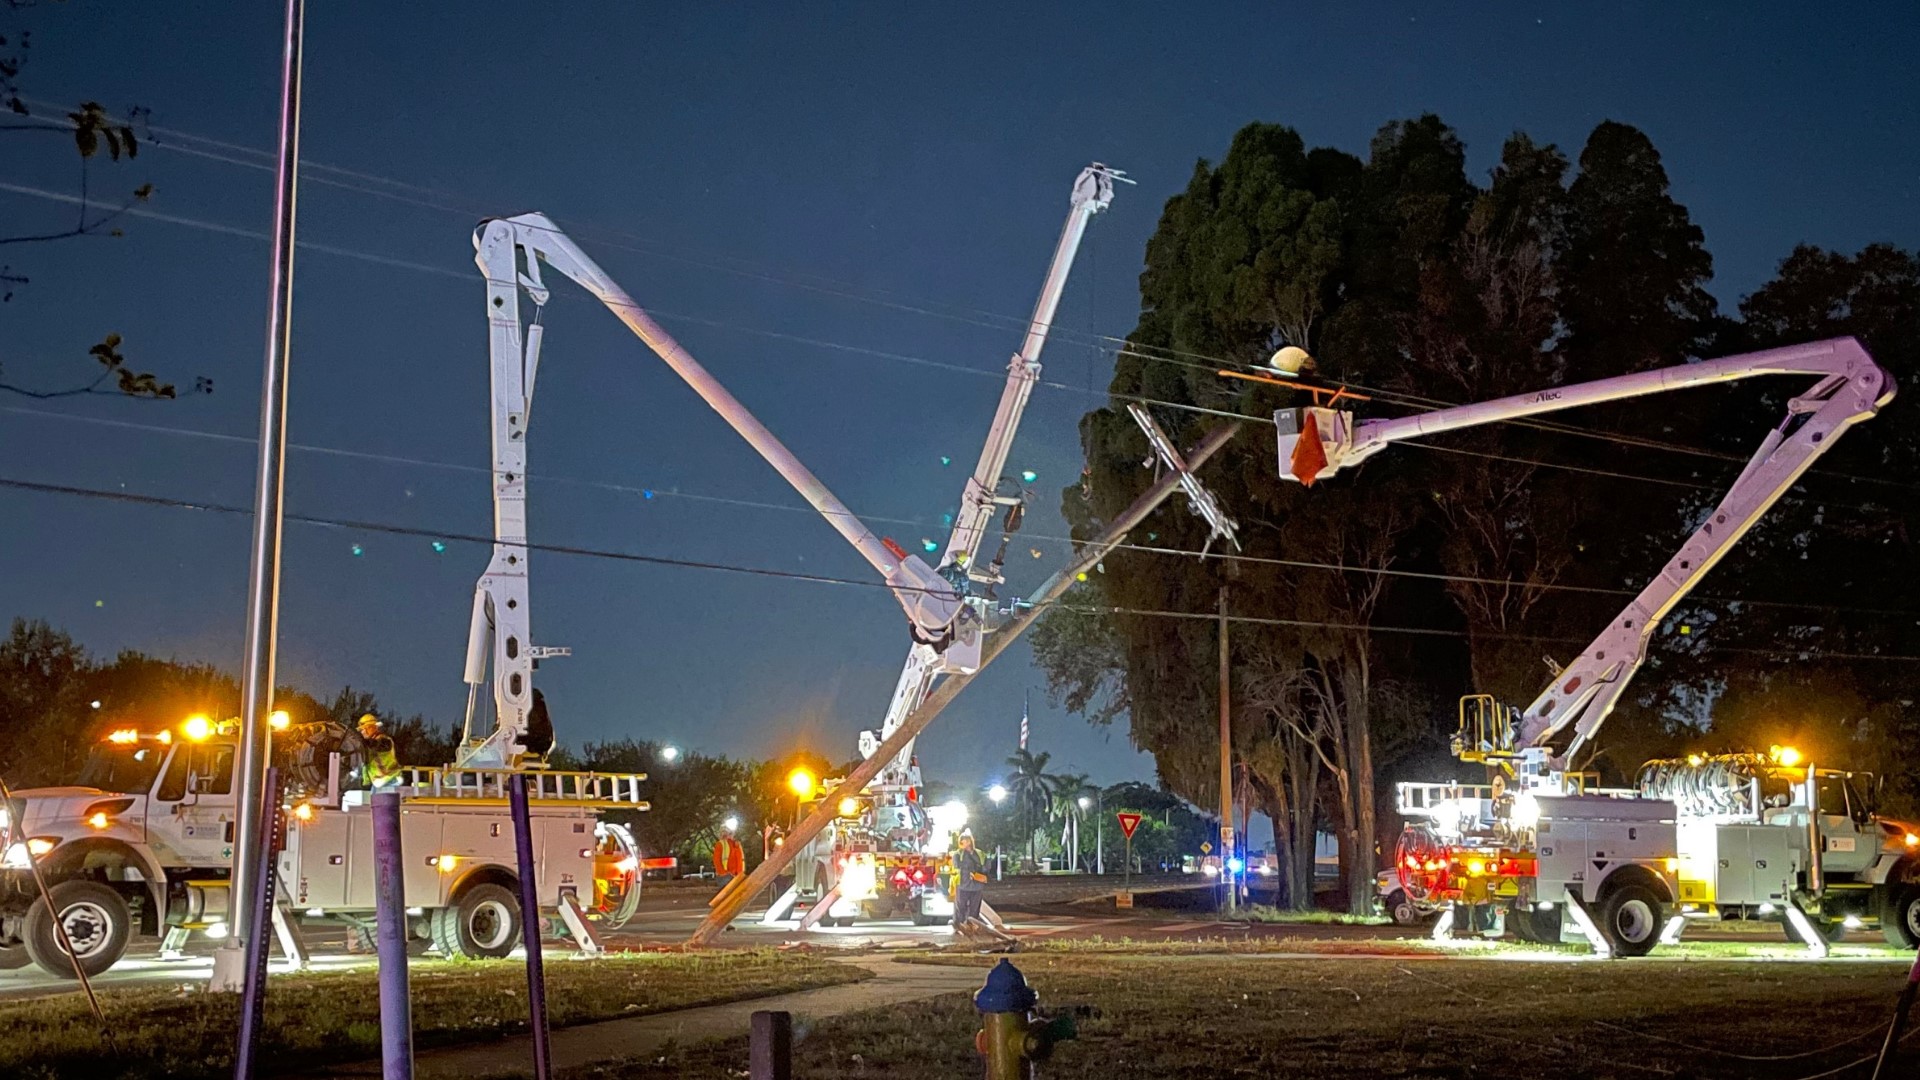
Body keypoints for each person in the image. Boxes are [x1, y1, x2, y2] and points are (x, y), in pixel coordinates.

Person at [951, 828, 989, 930]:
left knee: (975, 908)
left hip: (977, 885)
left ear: (971, 841)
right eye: (962, 841)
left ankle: (972, 925)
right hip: (963, 884)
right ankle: (959, 925)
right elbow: (956, 865)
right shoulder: (958, 854)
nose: (965, 842)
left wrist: (978, 872)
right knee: (960, 907)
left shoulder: (980, 854)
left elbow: (986, 866)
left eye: (967, 840)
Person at [356, 713, 401, 788]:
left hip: (389, 780)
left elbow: (375, 746)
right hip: (380, 782)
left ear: (372, 727)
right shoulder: (369, 745)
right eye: (361, 730)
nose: (362, 732)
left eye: (364, 728)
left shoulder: (385, 740)